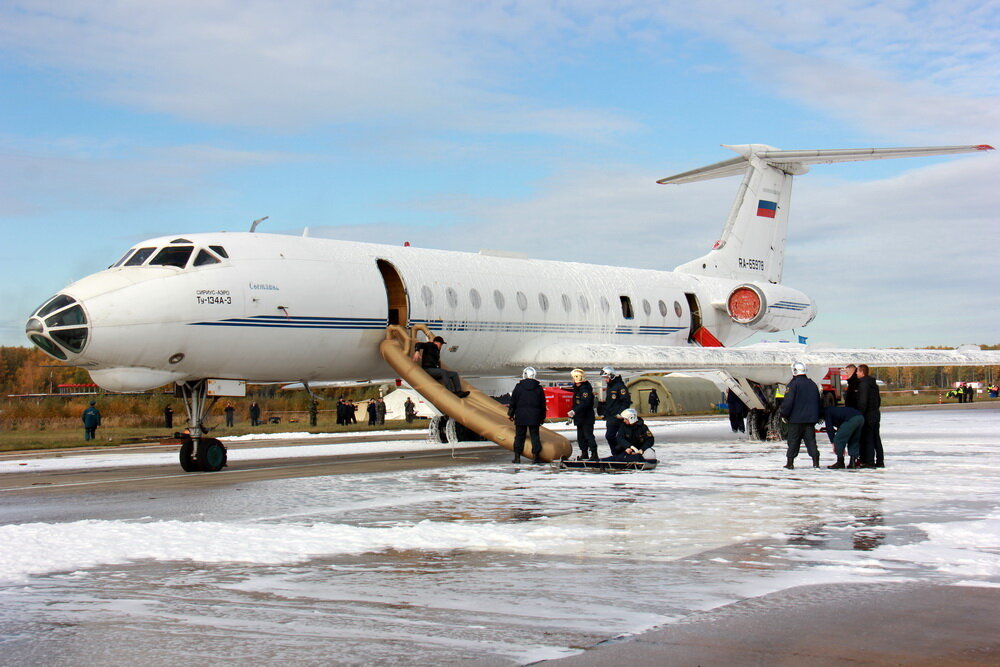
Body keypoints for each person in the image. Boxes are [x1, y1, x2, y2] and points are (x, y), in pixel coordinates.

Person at [779, 361, 822, 469]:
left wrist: (783, 414)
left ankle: (790, 463)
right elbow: (819, 401)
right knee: (811, 441)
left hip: (796, 419)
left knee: (793, 441)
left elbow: (788, 402)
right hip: (810, 420)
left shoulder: (793, 385)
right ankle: (816, 462)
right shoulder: (813, 384)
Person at [508, 367, 546, 463]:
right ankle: (536, 456)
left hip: (521, 415)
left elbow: (513, 402)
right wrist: (542, 417)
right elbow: (542, 404)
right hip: (535, 416)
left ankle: (517, 457)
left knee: (519, 436)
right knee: (535, 436)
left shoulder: (518, 387)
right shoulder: (538, 388)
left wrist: (511, 414)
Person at [567, 368, 598, 460]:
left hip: (586, 417)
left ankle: (594, 453)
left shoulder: (585, 390)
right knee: (580, 437)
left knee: (588, 436)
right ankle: (584, 453)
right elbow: (576, 403)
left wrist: (574, 411)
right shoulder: (577, 389)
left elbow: (584, 403)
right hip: (579, 418)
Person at [857, 364, 883, 467]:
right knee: (876, 438)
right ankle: (880, 461)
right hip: (876, 414)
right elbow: (878, 400)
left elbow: (863, 401)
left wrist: (860, 414)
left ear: (862, 372)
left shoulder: (863, 384)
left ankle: (869, 461)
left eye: (858, 372)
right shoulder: (874, 384)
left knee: (868, 439)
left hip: (868, 416)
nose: (857, 373)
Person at [601, 366, 631, 454]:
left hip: (618, 417)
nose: (605, 380)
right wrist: (605, 413)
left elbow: (626, 401)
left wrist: (620, 413)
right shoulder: (610, 386)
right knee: (609, 436)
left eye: (606, 378)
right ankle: (616, 453)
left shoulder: (620, 386)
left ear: (611, 376)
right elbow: (610, 402)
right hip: (611, 417)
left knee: (619, 436)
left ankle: (622, 452)